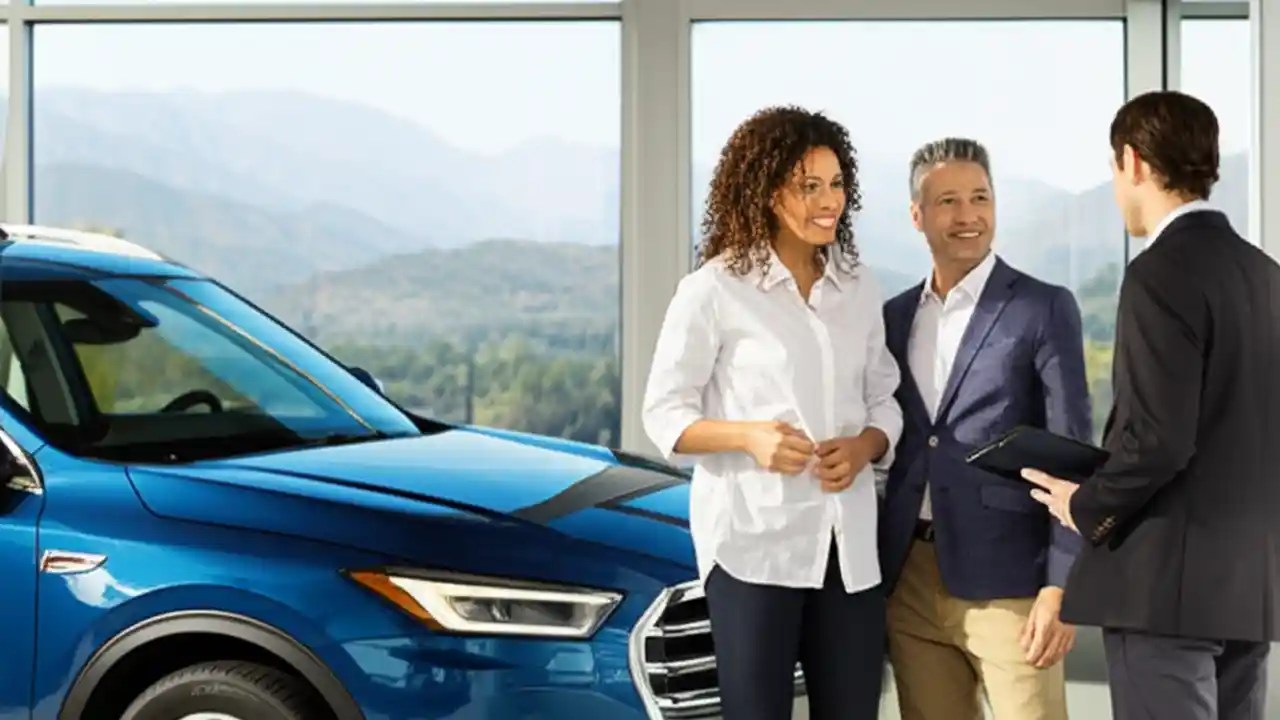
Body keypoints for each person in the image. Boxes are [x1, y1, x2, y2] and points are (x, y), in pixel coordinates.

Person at [1024, 90, 1280, 720]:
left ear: (1133, 162)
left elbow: (1160, 440)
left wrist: (1084, 504)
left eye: (1114, 169)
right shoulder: (1265, 274)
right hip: (1249, 587)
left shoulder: (1159, 273)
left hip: (1164, 591)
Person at [640, 105, 902, 720]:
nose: (829, 200)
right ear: (764, 190)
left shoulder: (858, 287)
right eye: (808, 185)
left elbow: (884, 400)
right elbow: (664, 414)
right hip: (755, 549)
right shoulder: (713, 290)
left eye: (836, 184)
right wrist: (749, 437)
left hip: (849, 552)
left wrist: (865, 446)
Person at [879, 137, 1092, 720]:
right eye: (948, 201)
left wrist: (1062, 587)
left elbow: (1072, 453)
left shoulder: (1043, 307)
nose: (967, 215)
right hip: (911, 581)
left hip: (1013, 585)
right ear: (917, 216)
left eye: (980, 197)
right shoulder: (893, 318)